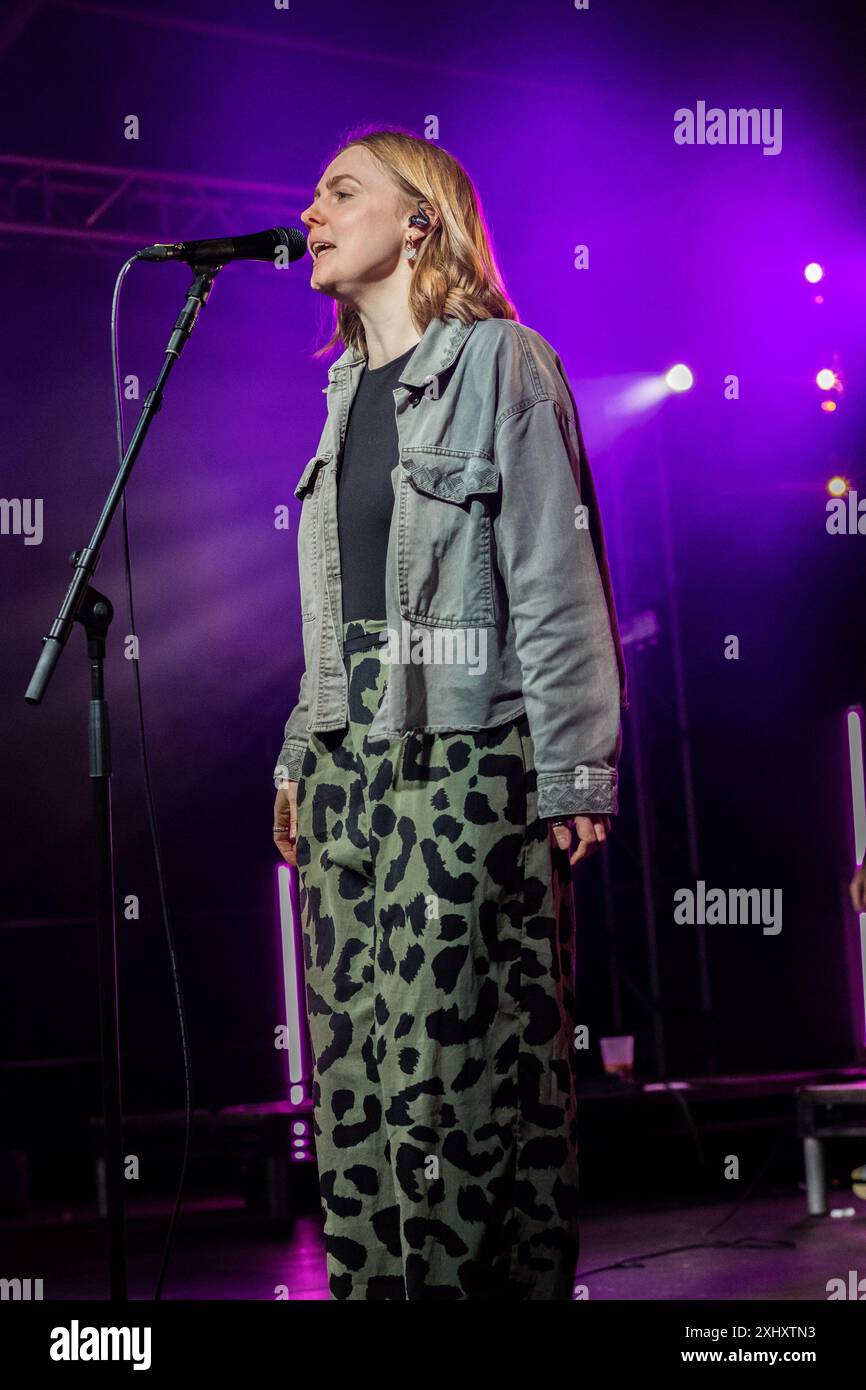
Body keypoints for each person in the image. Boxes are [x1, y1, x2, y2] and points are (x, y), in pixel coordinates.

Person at [271, 126, 628, 1300]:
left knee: (457, 1074)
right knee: (359, 1090)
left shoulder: (501, 363)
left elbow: (553, 571)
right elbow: (336, 604)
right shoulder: (338, 392)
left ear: (416, 219)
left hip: (464, 758)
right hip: (342, 769)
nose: (309, 211)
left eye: (339, 191)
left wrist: (574, 764)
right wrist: (294, 751)